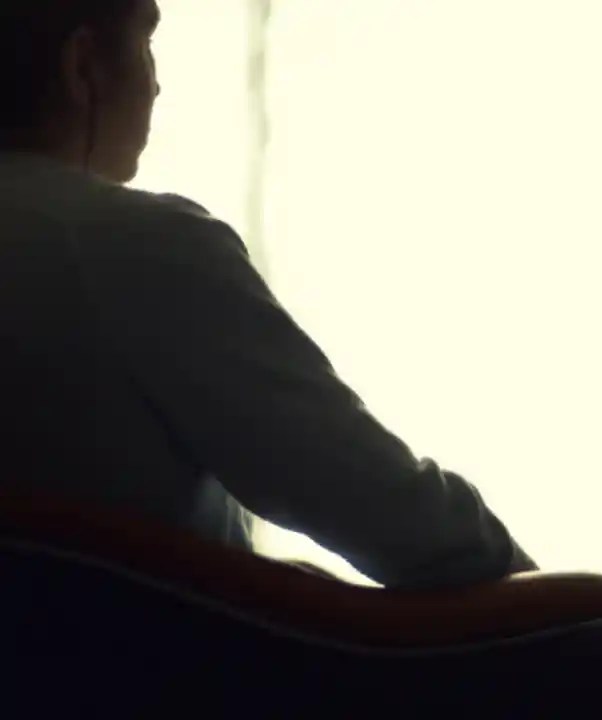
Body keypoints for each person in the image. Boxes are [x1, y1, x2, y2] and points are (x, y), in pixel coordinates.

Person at [0, 0, 536, 588]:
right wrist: (565, 608)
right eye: (146, 46)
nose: (158, 84)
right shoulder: (132, 248)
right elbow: (382, 506)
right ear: (83, 68)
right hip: (151, 676)